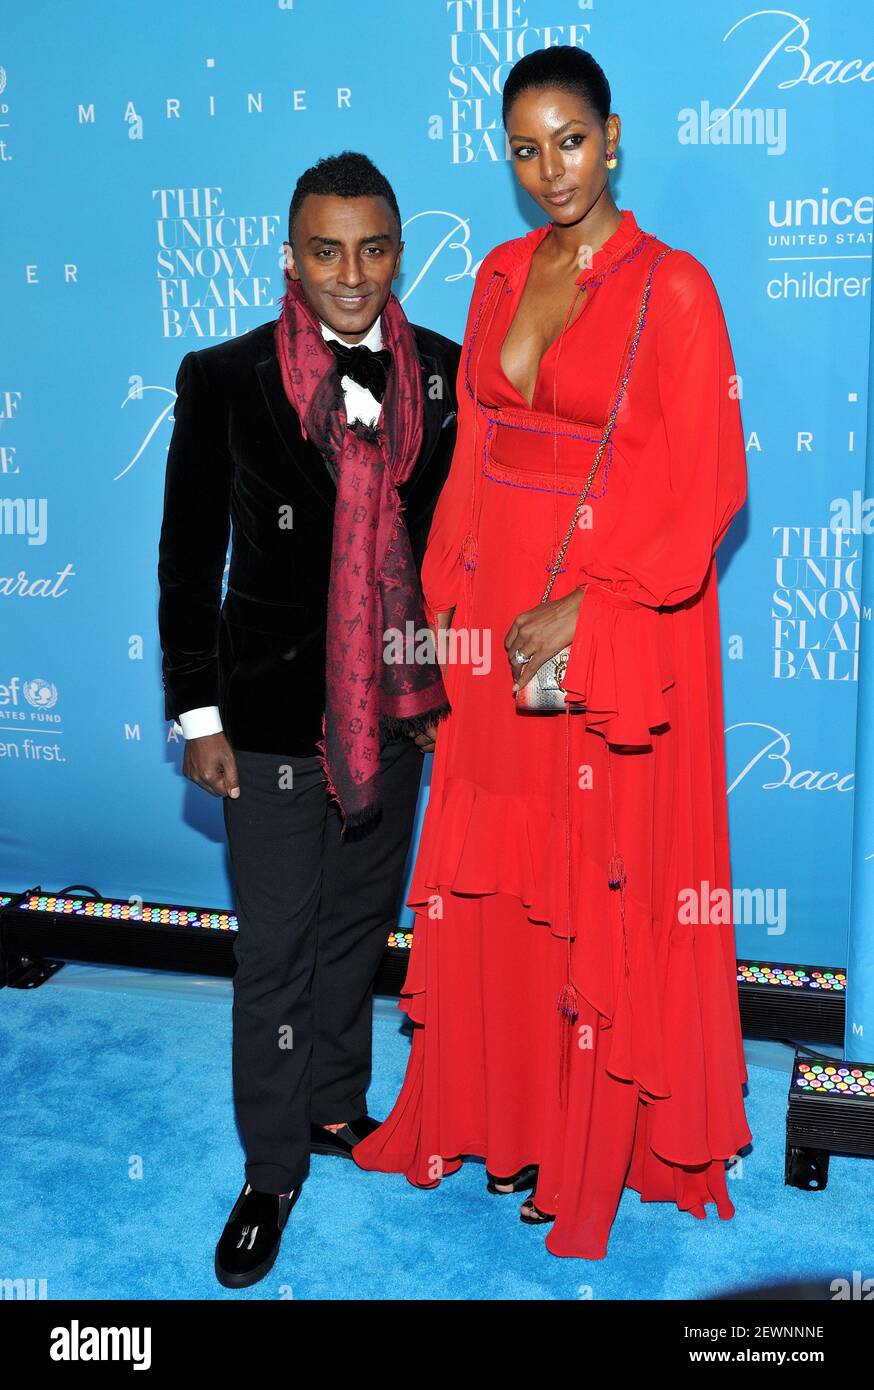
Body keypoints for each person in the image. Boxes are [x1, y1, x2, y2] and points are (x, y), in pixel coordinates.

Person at [352, 48, 753, 1259]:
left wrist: (589, 603)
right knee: (498, 886)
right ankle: (501, 1118)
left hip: (608, 623)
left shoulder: (674, 288)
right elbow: (470, 454)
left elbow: (709, 486)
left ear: (613, 138)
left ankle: (586, 1141)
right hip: (485, 621)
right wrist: (428, 637)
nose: (550, 169)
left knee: (592, 880)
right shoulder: (497, 273)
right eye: (525, 148)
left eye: (569, 140)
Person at [157, 151, 460, 1287]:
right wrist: (197, 713)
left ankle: (336, 1106)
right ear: (290, 257)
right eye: (325, 250)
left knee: (354, 931)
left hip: (394, 707)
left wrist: (438, 680)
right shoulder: (226, 378)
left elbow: (453, 551)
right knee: (275, 954)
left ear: (398, 251)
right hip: (270, 715)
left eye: (372, 248)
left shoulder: (442, 376)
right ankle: (271, 1168)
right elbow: (188, 561)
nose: (349, 273)